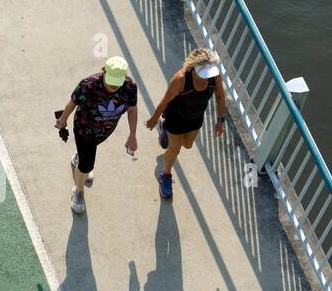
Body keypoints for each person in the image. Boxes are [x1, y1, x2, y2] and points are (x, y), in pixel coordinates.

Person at [55, 56, 139, 215]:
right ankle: (78, 190)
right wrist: (63, 120)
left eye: (117, 81)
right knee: (87, 165)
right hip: (84, 130)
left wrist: (132, 134)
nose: (114, 85)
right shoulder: (88, 85)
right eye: (111, 80)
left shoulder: (129, 87)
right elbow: (73, 102)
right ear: (104, 71)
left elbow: (132, 109)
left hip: (105, 130)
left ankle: (78, 159)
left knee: (85, 158)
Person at [144, 48, 226, 200]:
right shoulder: (180, 79)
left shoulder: (215, 76)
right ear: (192, 67)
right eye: (203, 73)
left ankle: (164, 127)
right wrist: (154, 118)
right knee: (174, 150)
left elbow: (220, 96)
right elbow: (165, 101)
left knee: (187, 145)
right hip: (176, 118)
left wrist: (220, 120)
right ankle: (165, 176)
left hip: (195, 118)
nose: (207, 77)